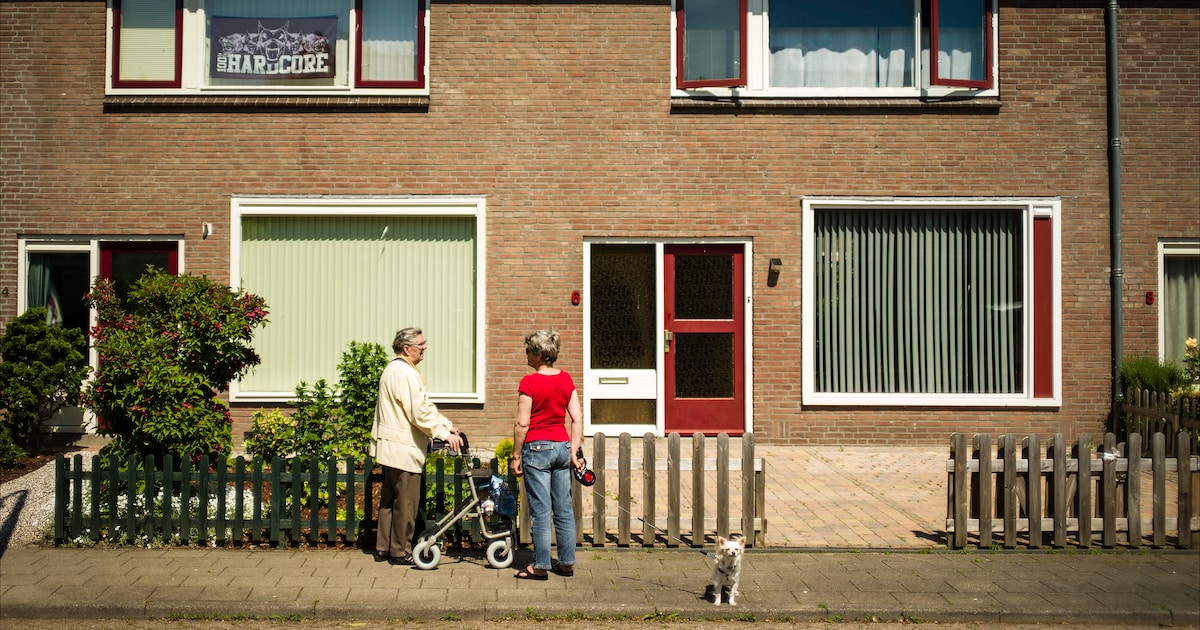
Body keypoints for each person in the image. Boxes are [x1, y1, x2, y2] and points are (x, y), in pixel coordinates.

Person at [370, 327, 463, 566]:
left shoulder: (394, 369)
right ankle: (400, 551)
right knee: (407, 503)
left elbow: (422, 406)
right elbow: (419, 412)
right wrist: (443, 433)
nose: (424, 348)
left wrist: (446, 424)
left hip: (391, 447)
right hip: (404, 448)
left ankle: (383, 547)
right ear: (406, 348)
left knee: (390, 501)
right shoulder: (405, 373)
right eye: (420, 344)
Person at [510, 329, 583, 580]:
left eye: (528, 350)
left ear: (539, 354)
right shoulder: (566, 379)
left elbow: (522, 423)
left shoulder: (529, 382)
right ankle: (566, 563)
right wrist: (574, 450)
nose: (526, 355)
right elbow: (577, 417)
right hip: (562, 448)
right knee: (563, 508)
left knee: (540, 510)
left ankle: (540, 566)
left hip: (537, 449)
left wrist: (516, 455)